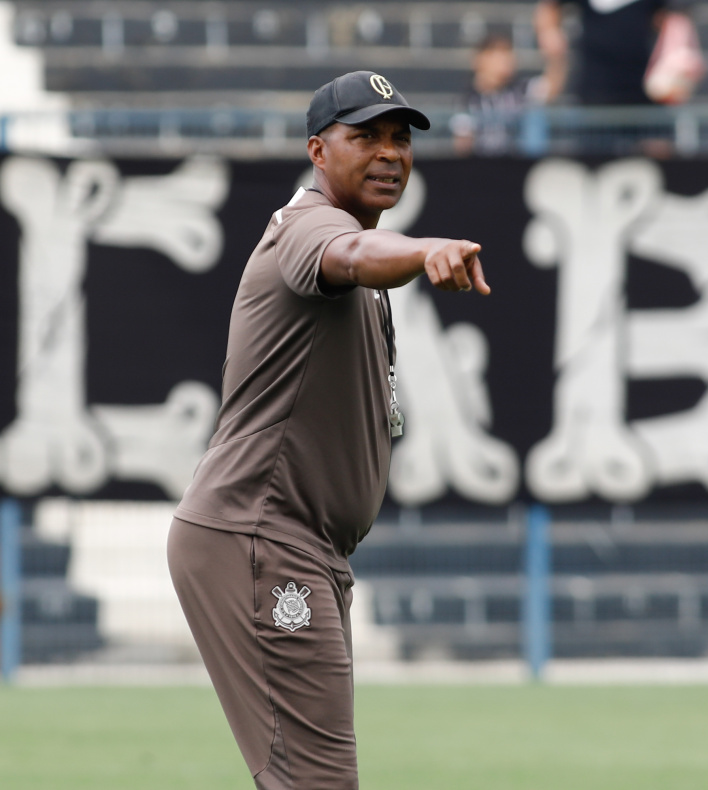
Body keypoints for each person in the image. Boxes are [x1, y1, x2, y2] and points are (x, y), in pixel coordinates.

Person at [167, 70, 489, 790]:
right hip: (262, 536)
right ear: (318, 150)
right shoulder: (309, 226)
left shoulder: (350, 255)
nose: (388, 153)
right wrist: (422, 249)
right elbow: (349, 255)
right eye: (364, 136)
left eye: (399, 138)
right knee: (316, 782)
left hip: (292, 543)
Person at [536, 0, 695, 106]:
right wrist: (549, 33)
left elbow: (672, 19)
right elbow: (549, 8)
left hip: (643, 93)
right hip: (594, 93)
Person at [450, 20, 568, 155]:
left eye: (508, 52)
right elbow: (463, 145)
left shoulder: (520, 90)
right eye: (499, 53)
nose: (506, 59)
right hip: (482, 166)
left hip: (516, 163)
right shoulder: (468, 99)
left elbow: (551, 88)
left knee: (535, 116)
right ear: (480, 59)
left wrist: (556, 57)